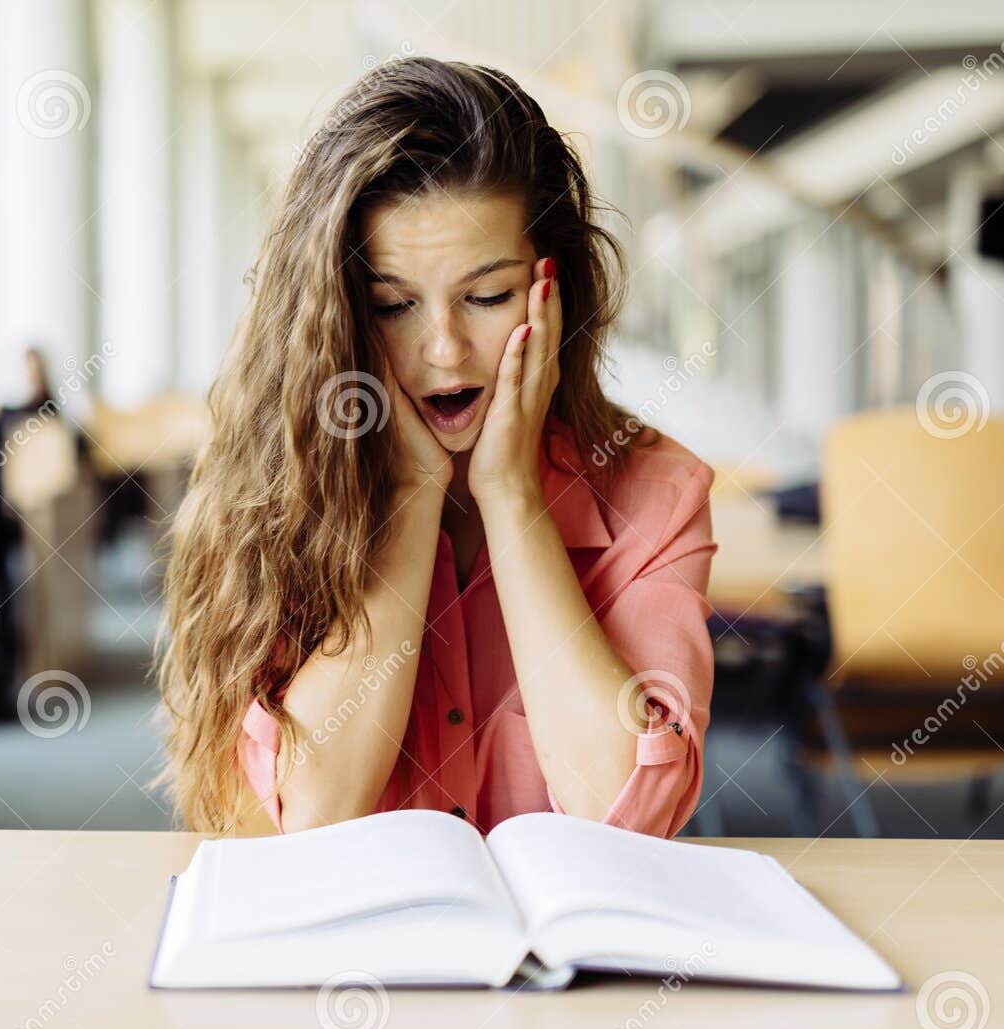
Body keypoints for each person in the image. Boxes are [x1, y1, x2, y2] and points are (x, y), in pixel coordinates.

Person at [156, 58, 716, 838]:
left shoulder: (661, 493)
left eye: (486, 297)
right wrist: (415, 493)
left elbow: (629, 812)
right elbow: (310, 812)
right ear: (339, 314)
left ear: (555, 290)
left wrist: (513, 496)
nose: (445, 351)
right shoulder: (278, 487)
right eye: (393, 305)